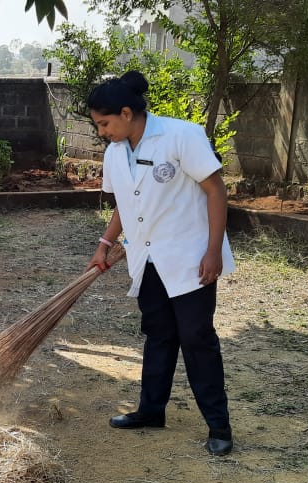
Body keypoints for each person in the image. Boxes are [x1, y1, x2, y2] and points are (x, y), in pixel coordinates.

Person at [84, 71, 236, 456]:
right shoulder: (115, 153)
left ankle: (219, 426)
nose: (102, 132)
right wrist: (105, 244)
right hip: (147, 258)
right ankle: (151, 411)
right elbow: (124, 203)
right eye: (98, 126)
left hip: (190, 258)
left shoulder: (181, 135)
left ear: (126, 112)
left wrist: (213, 251)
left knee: (197, 338)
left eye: (104, 123)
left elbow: (215, 191)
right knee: (158, 334)